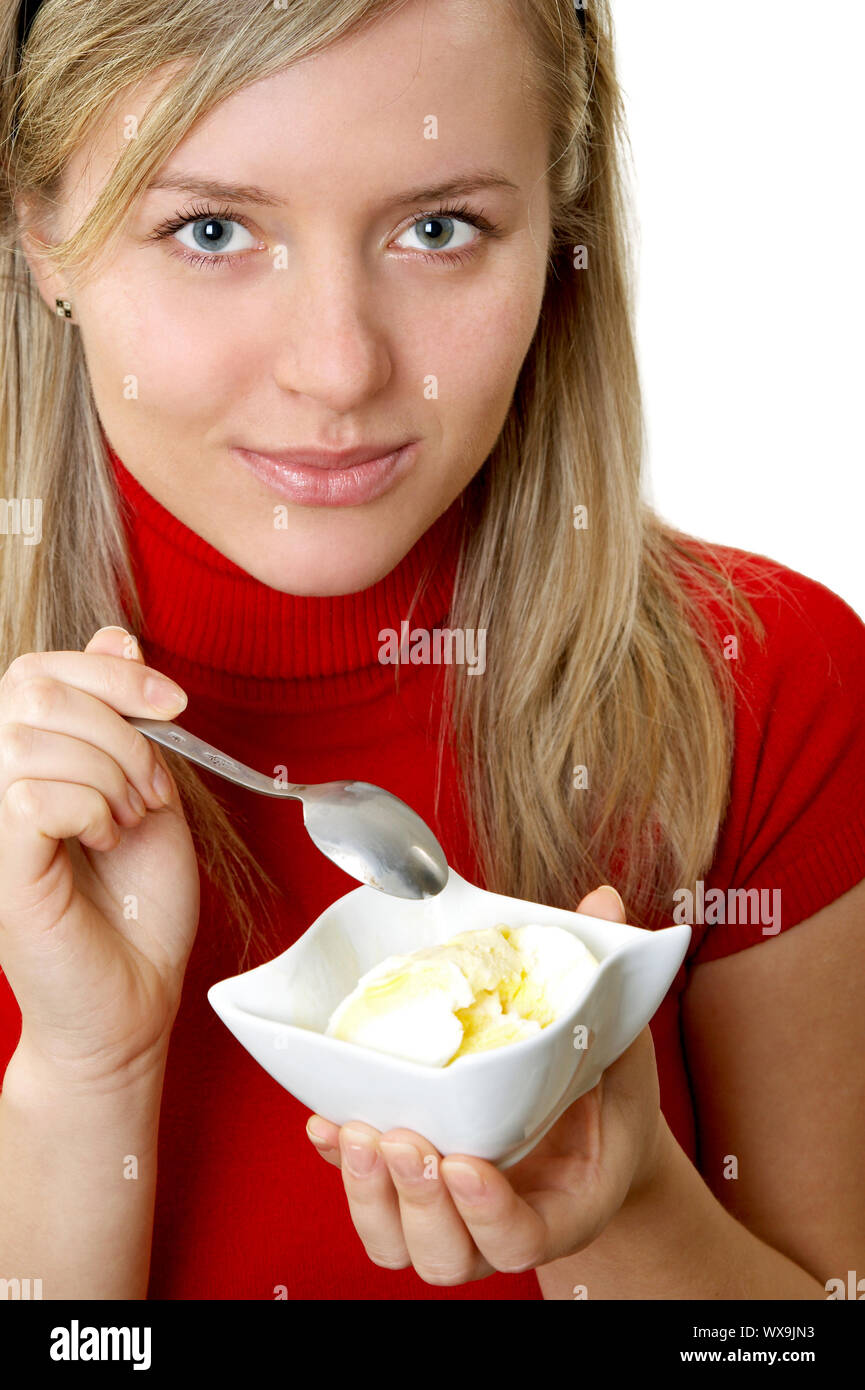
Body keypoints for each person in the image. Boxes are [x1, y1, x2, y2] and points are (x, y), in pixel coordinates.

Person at [0, 0, 863, 1302]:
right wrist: (88, 1077)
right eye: (213, 230)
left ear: (557, 226)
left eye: (436, 229)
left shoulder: (767, 683)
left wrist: (623, 1207)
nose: (338, 368)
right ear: (40, 233)